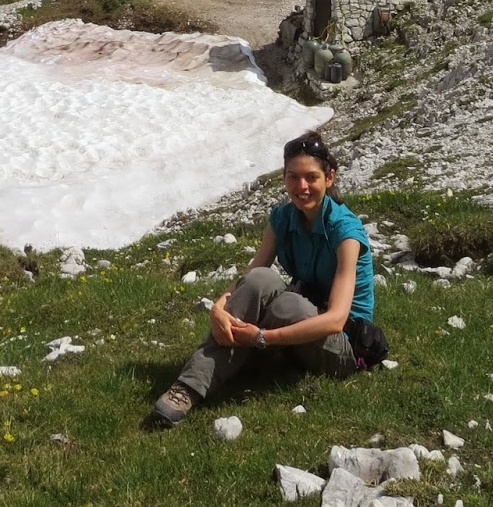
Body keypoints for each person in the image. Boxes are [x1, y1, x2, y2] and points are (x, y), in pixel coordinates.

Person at [150, 132, 383, 427]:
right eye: (292, 177)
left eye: (311, 177)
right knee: (261, 280)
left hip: (343, 345)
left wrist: (262, 338)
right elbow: (252, 276)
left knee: (286, 308)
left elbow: (336, 320)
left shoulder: (345, 231)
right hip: (303, 318)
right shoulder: (282, 218)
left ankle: (247, 357)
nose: (302, 187)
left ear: (329, 178)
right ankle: (188, 388)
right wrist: (219, 308)